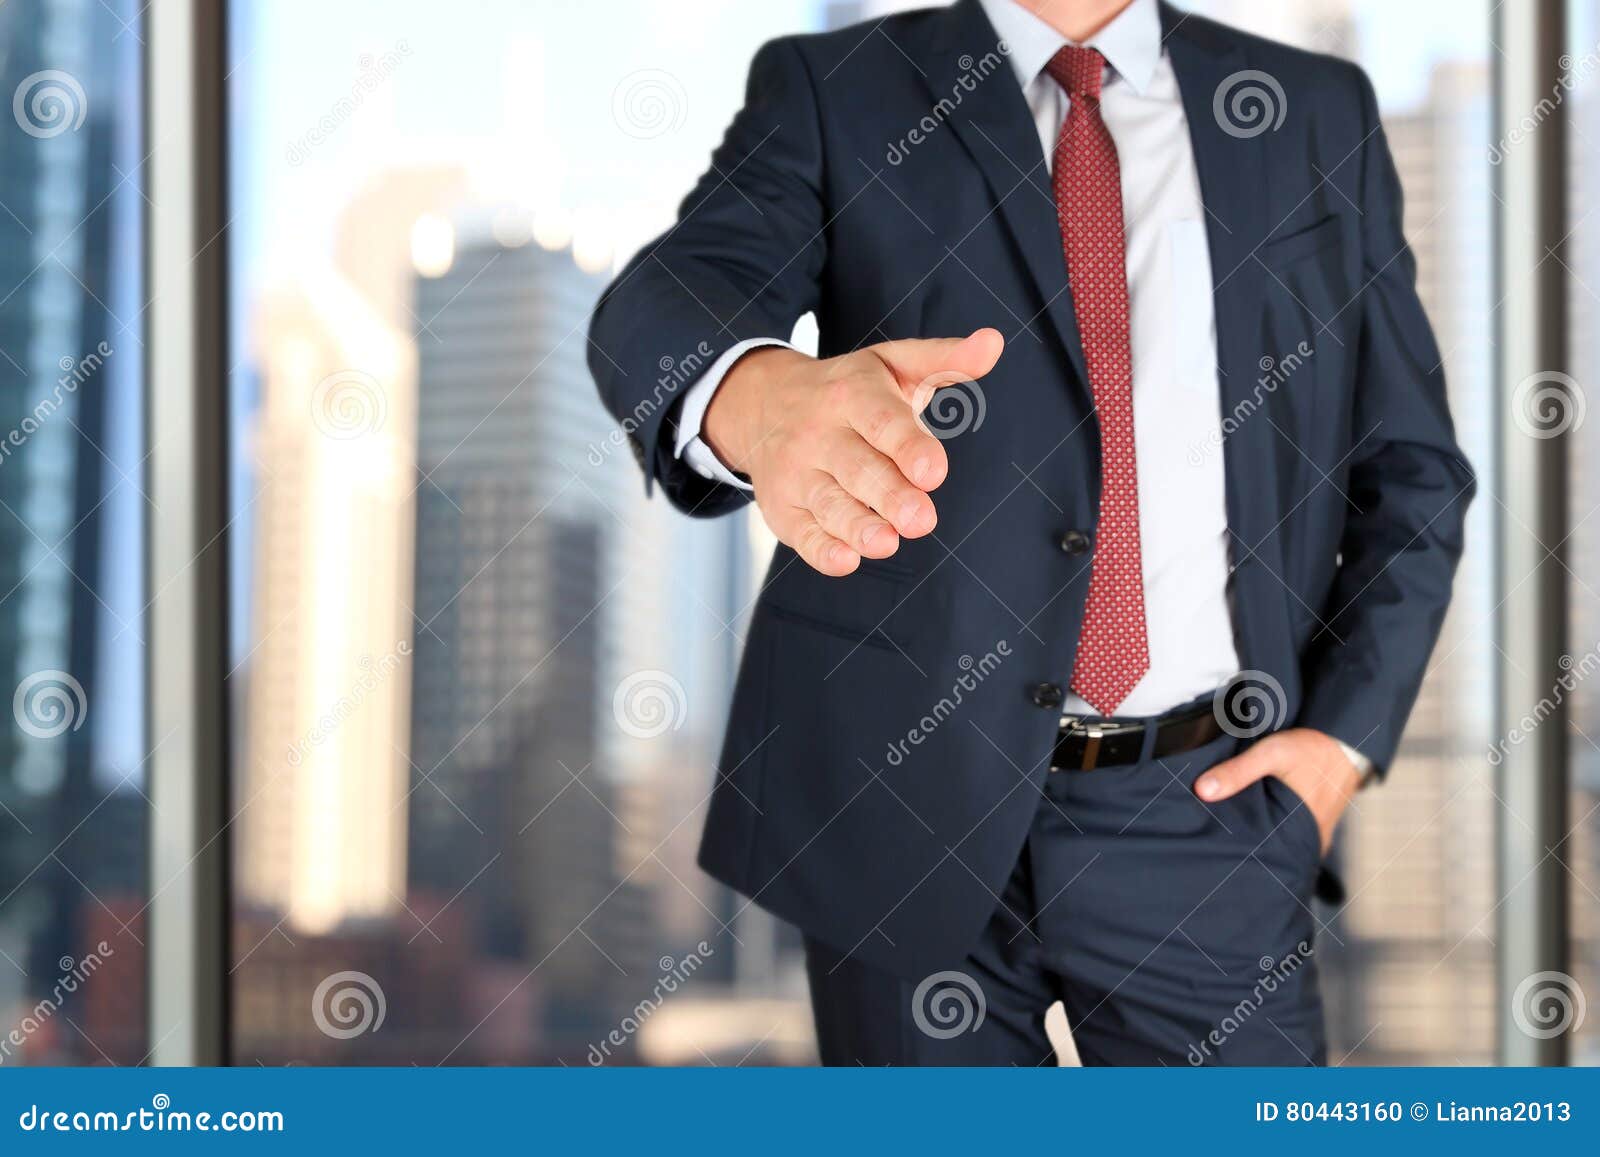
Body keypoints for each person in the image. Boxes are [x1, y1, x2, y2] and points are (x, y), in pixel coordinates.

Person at [587, 0, 1474, 1065]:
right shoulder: (839, 86)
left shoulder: (1313, 110)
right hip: (899, 801)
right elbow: (669, 294)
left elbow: (1412, 472)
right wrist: (755, 396)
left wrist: (1338, 744)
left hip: (1209, 809)